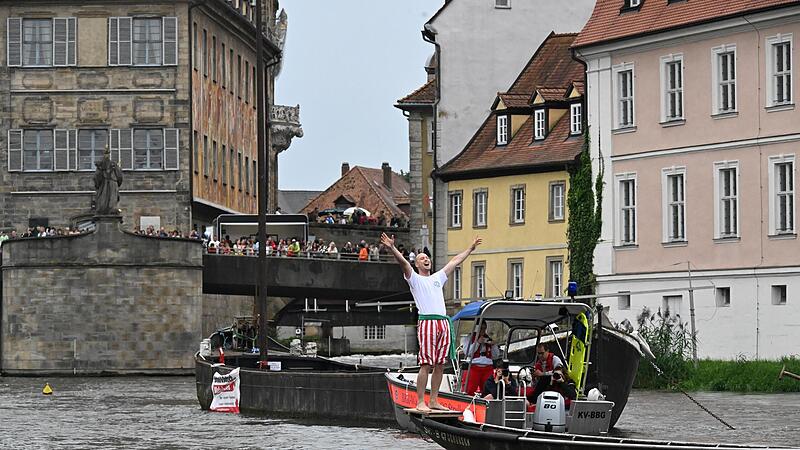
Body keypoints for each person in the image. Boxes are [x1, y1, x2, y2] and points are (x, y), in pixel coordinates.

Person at [380, 232, 481, 412]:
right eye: (422, 258)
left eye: (427, 257)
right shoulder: (414, 279)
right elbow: (403, 263)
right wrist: (393, 248)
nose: (426, 259)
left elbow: (455, 261)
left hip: (443, 323)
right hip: (427, 323)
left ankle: (434, 400)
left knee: (440, 364)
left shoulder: (437, 278)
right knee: (426, 363)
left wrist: (470, 249)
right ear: (417, 264)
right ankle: (420, 401)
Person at [461, 321, 499, 396]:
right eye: (481, 328)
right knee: (469, 390)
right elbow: (467, 352)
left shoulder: (488, 338)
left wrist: (493, 345)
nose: (483, 330)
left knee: (488, 390)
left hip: (488, 367)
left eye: (484, 328)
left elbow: (495, 356)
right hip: (474, 366)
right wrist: (477, 342)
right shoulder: (469, 338)